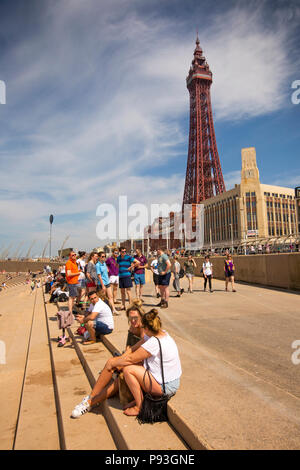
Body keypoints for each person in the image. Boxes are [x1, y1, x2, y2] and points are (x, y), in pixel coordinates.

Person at [71, 308, 181, 419]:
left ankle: (139, 407)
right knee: (121, 373)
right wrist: (119, 360)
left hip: (166, 387)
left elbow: (130, 359)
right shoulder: (161, 334)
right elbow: (133, 349)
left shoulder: (154, 342)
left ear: (147, 328)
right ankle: (91, 400)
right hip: (169, 380)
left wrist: (113, 363)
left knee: (128, 370)